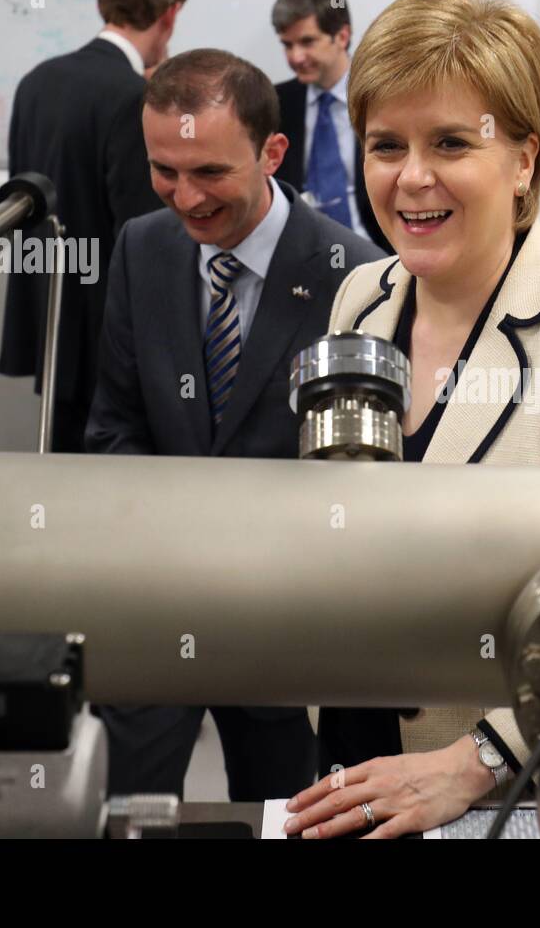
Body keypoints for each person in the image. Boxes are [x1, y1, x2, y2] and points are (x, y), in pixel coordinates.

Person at [284, 0, 540, 839]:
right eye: (385, 145)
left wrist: (476, 760)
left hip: (509, 788)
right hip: (353, 745)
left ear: (523, 160)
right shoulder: (363, 298)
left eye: (449, 143)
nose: (411, 178)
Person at [85, 48, 383, 800]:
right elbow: (114, 423)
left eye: (210, 173)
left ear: (272, 153)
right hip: (157, 600)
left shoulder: (357, 275)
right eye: (164, 170)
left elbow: (367, 486)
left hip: (284, 627)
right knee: (128, 808)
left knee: (282, 813)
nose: (184, 199)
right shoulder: (140, 248)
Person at [0, 0, 186, 452]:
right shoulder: (130, 95)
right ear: (169, 15)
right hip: (105, 328)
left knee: (60, 463)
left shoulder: (37, 81)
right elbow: (142, 228)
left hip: (48, 304)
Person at [270, 0, 390, 251]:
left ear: (342, 36)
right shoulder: (277, 102)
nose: (296, 57)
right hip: (302, 255)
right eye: (287, 45)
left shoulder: (381, 97)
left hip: (378, 252)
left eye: (307, 42)